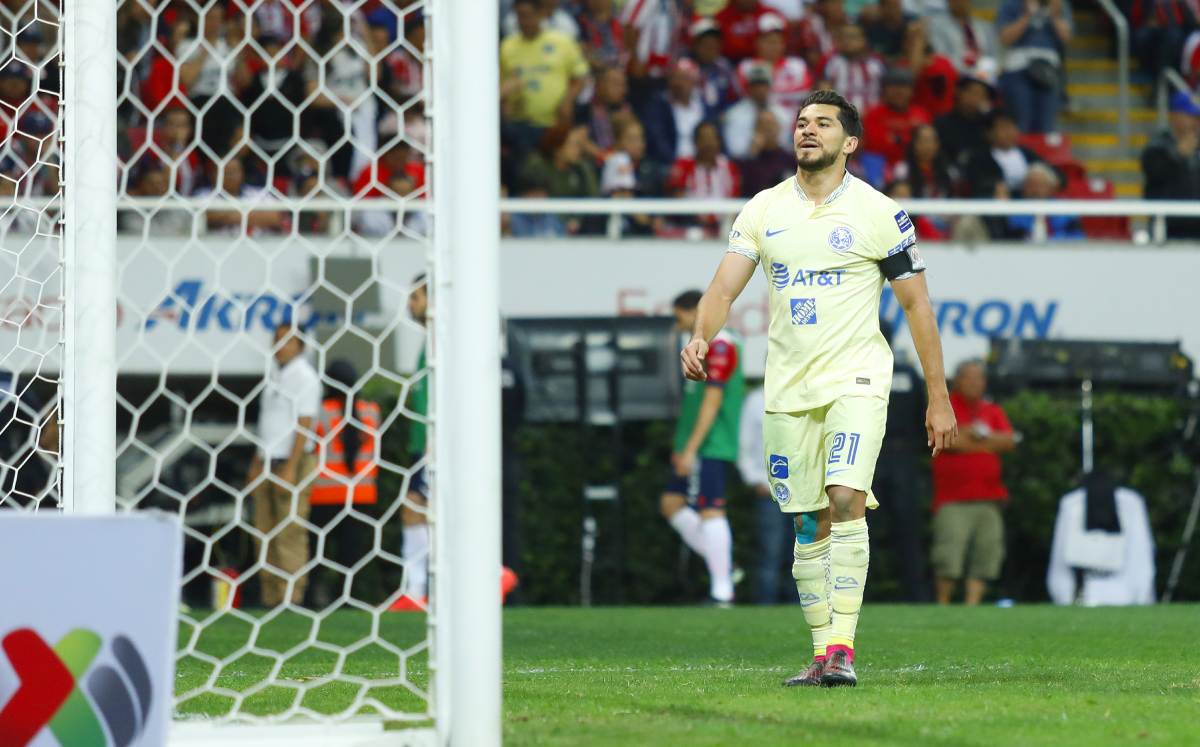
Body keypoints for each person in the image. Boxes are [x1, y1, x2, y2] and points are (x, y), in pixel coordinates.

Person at [682, 89, 957, 687]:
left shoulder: (880, 213)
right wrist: (702, 334)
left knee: (843, 498)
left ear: (850, 142)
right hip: (787, 385)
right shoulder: (762, 209)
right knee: (807, 521)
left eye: (823, 124)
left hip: (856, 378)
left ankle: (843, 648)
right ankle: (819, 654)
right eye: (802, 123)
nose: (808, 131)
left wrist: (939, 396)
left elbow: (918, 308)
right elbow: (722, 290)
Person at [661, 290, 746, 606]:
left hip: (711, 443)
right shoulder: (701, 345)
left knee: (711, 509)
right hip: (696, 444)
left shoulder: (723, 344)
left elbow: (712, 400)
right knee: (671, 502)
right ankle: (724, 563)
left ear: (692, 311)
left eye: (678, 316)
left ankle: (722, 590)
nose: (677, 324)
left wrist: (692, 448)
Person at [247, 322, 322, 607]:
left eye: (288, 341)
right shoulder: (274, 377)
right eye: (277, 340)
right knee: (263, 529)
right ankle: (270, 595)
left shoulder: (305, 377)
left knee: (289, 529)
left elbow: (304, 423)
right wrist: (256, 461)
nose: (281, 346)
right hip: (267, 459)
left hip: (293, 460)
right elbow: (267, 424)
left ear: (301, 346)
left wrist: (291, 465)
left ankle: (292, 595)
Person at [930, 359, 1016, 606]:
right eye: (969, 377)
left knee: (986, 555)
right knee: (948, 556)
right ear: (957, 380)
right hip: (953, 499)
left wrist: (972, 439)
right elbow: (947, 440)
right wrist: (986, 441)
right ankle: (942, 605)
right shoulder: (946, 407)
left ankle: (972, 607)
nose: (974, 382)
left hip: (989, 499)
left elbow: (1009, 442)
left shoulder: (992, 410)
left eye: (979, 377)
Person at [308, 360, 381, 607]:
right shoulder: (371, 411)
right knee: (350, 555)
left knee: (317, 554)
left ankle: (309, 599)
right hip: (361, 494)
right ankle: (346, 601)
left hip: (324, 494)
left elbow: (312, 446)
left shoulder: (321, 411)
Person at [870, 319, 932, 602]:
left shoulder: (906, 373)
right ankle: (859, 594)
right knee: (861, 527)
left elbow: (924, 413)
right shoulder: (857, 369)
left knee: (907, 526)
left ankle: (916, 594)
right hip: (875, 455)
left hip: (898, 457)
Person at [1046, 471, 1156, 606]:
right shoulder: (1072, 504)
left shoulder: (1130, 503)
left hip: (1113, 591)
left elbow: (1140, 556)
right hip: (1092, 591)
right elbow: (1142, 557)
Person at [500, 0, 589, 155]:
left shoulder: (562, 42)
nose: (524, 21)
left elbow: (580, 76)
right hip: (519, 124)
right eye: (520, 16)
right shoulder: (507, 47)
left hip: (554, 124)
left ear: (541, 15)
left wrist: (567, 101)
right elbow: (501, 83)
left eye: (528, 16)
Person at [393, 275, 431, 611]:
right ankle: (416, 590)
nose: (410, 303)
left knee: (414, 508)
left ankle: (416, 590)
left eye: (416, 296)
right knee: (418, 509)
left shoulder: (442, 340)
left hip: (435, 445)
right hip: (424, 444)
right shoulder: (429, 340)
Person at [738, 384, 795, 604]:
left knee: (803, 553)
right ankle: (765, 607)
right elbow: (745, 444)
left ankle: (802, 609)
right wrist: (754, 480)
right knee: (769, 552)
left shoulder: (806, 392)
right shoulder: (755, 400)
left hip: (803, 488)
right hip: (768, 487)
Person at [995, 0, 1072, 133]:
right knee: (1021, 122)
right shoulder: (1011, 4)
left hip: (1048, 70)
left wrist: (1054, 15)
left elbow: (1066, 38)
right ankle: (1022, 152)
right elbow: (1004, 38)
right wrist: (1026, 16)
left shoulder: (1058, 4)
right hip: (1017, 68)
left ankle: (1041, 153)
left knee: (1047, 125)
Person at [1141, 91, 1200, 239]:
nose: (1196, 122)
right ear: (1175, 116)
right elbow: (1154, 172)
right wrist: (1177, 155)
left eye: (1197, 118)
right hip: (1168, 228)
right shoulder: (1158, 145)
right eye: (1191, 117)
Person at [861, 67, 932, 170]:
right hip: (881, 168)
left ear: (912, 91)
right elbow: (875, 146)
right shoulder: (873, 114)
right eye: (893, 86)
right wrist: (910, 141)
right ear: (884, 90)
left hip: (917, 168)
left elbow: (927, 146)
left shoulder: (921, 114)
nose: (899, 92)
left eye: (904, 87)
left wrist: (898, 140)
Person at [722, 63, 793, 160]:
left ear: (769, 87)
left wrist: (771, 143)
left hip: (778, 162)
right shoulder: (734, 114)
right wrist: (753, 145)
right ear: (748, 88)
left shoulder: (783, 113)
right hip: (748, 165)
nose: (760, 89)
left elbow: (788, 146)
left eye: (763, 85)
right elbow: (734, 151)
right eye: (756, 85)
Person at [820, 23, 886, 114]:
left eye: (852, 37)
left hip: (872, 118)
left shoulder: (876, 64)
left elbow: (886, 92)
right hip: (841, 118)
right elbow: (824, 91)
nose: (848, 41)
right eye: (843, 38)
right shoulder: (833, 63)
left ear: (864, 40)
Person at [934, 75, 993, 171]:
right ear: (959, 92)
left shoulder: (987, 125)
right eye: (972, 92)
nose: (975, 98)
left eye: (981, 95)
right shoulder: (942, 123)